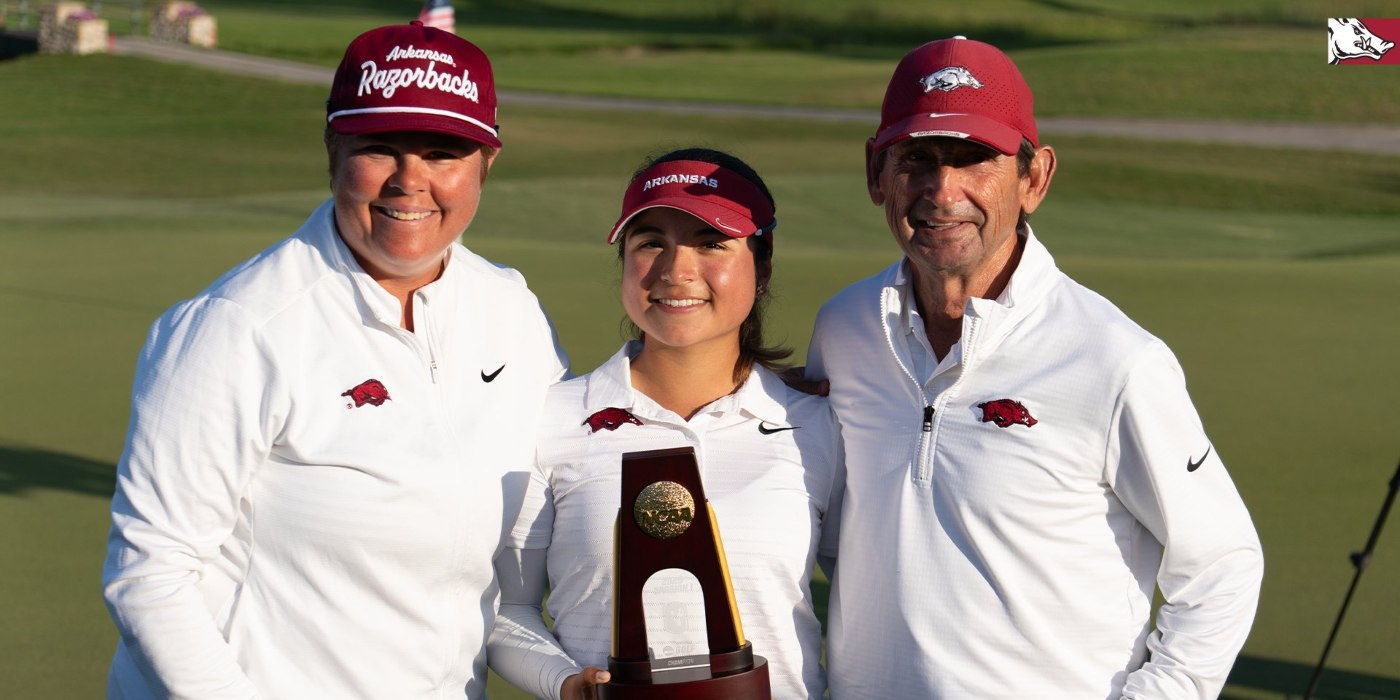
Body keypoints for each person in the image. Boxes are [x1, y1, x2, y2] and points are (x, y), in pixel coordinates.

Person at [101, 22, 568, 698]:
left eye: (443, 153)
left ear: (487, 164)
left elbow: (502, 594)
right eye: (379, 148)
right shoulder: (238, 326)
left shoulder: (511, 313)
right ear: (332, 149)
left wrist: (572, 683)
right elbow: (151, 574)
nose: (410, 182)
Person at [805, 37, 1264, 698]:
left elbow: (1223, 565)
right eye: (918, 159)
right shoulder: (845, 327)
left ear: (1034, 179)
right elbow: (830, 529)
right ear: (877, 174)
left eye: (973, 159)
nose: (943, 189)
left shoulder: (1115, 358)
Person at [487, 148, 842, 700]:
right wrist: (563, 682)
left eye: (711, 243)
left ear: (762, 265)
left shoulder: (820, 425)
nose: (676, 271)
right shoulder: (550, 418)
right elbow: (507, 607)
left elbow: (868, 611)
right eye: (650, 241)